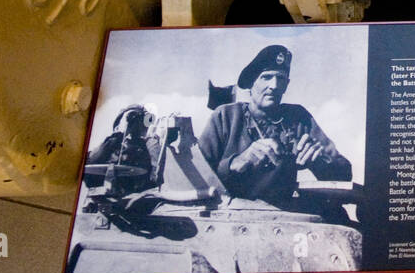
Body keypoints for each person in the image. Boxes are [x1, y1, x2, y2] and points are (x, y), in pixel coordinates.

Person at [198, 44, 351, 207]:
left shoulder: (298, 118)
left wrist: (320, 162)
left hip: (281, 214)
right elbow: (196, 177)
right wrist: (235, 163)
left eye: (281, 78)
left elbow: (344, 173)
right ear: (251, 82)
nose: (274, 86)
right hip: (230, 214)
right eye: (266, 77)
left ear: (287, 84)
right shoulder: (225, 117)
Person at [87, 105, 160, 195]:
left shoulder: (148, 144)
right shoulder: (113, 142)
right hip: (108, 188)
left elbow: (154, 173)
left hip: (137, 191)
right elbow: (91, 162)